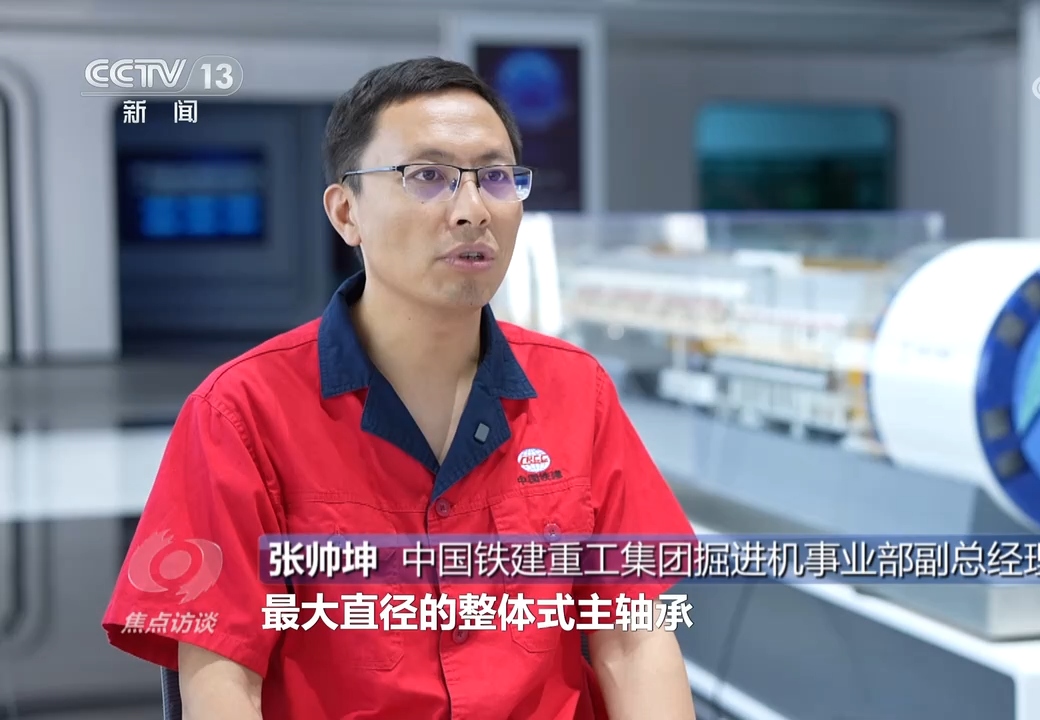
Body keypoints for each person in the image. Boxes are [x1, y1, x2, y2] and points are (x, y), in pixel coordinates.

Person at [102, 57, 698, 719]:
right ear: (346, 212)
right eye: (428, 176)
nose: (472, 210)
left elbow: (634, 641)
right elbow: (222, 679)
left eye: (496, 177)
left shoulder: (576, 390)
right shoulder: (241, 414)